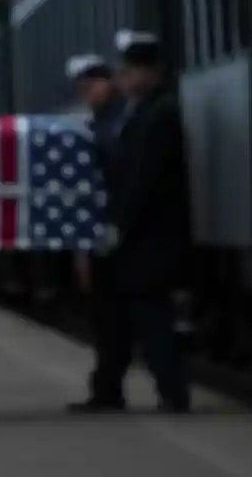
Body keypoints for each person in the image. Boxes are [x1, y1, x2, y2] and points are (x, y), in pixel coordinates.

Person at [89, 29, 192, 414]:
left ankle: (173, 393)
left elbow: (143, 177)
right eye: (125, 71)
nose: (125, 79)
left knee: (153, 320)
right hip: (138, 239)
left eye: (131, 71)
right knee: (125, 318)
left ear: (151, 72)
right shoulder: (140, 112)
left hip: (150, 239)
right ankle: (109, 391)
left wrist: (118, 222)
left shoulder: (159, 114)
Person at [63, 53, 132, 413]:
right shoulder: (102, 124)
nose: (88, 92)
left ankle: (109, 390)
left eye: (93, 84)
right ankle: (106, 388)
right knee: (105, 319)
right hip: (100, 237)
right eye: (83, 88)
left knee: (112, 319)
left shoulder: (117, 126)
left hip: (115, 238)